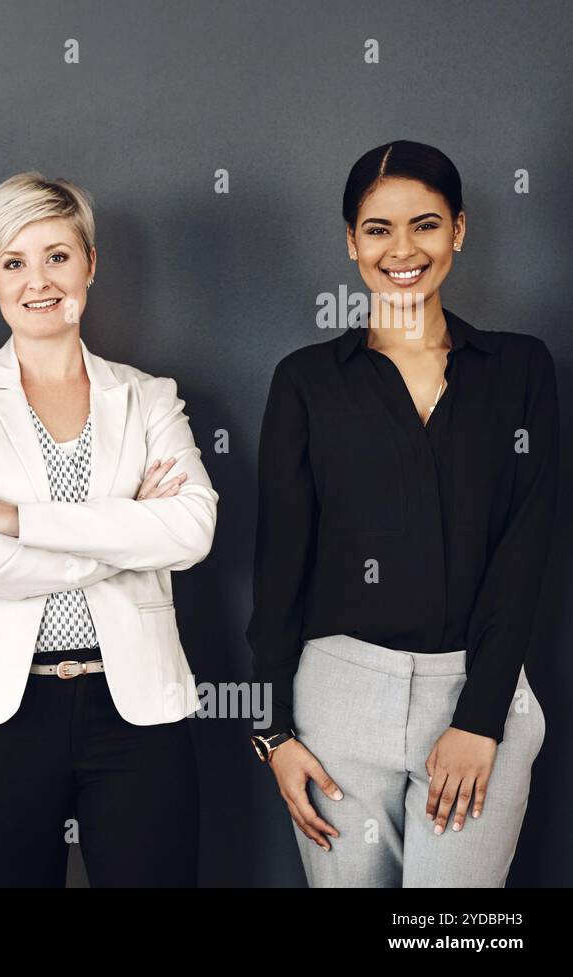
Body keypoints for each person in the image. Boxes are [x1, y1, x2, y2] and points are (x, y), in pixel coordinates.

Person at [248, 140, 558, 887]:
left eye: (424, 223)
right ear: (351, 241)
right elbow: (279, 566)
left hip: (481, 693)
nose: (402, 249)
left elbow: (526, 549)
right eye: (378, 228)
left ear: (459, 228)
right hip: (337, 700)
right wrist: (272, 732)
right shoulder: (306, 381)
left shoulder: (519, 369)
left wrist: (480, 717)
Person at [0, 172, 217, 886]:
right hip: (1, 714)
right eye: (13, 262)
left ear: (90, 263)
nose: (38, 280)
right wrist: (124, 539)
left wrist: (20, 521)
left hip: (134, 708)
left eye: (57, 255)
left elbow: (193, 528)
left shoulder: (147, 397)